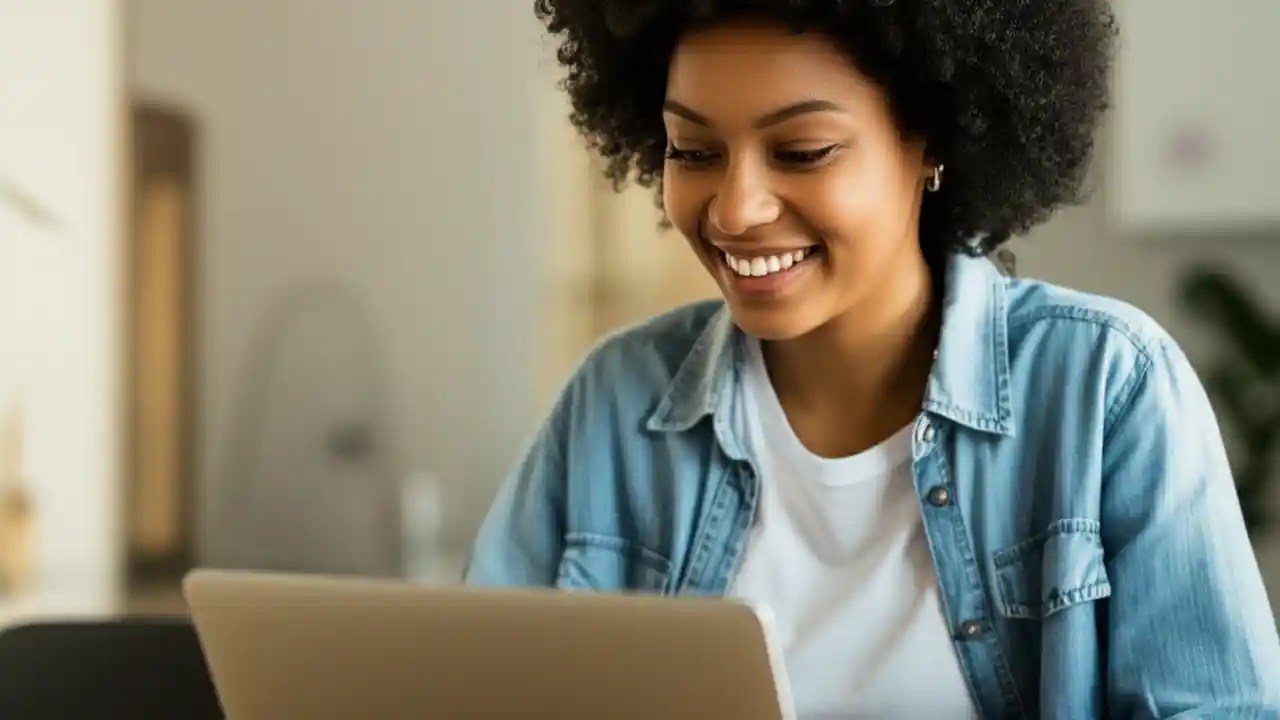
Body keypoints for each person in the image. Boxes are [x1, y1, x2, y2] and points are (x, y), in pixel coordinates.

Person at [466, 0, 1280, 716]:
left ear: (931, 141)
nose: (735, 209)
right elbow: (469, 686)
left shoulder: (1107, 388)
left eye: (803, 151)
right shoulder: (614, 404)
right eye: (694, 150)